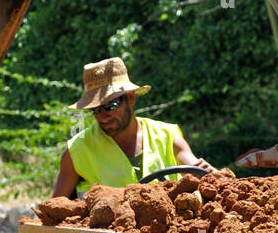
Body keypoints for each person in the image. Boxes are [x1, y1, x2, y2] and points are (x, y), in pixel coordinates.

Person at [52, 57, 213, 197]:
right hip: (110, 232)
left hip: (170, 230)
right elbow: (52, 211)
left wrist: (210, 176)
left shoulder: (167, 135)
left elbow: (196, 168)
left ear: (130, 98)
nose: (103, 116)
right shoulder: (78, 150)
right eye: (95, 109)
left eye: (111, 105)